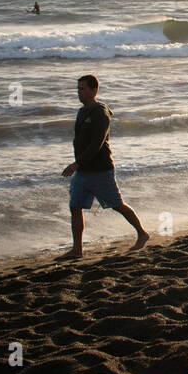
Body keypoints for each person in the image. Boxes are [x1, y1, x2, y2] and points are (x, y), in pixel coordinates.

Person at [56, 74, 149, 259]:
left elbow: (97, 143)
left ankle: (142, 233)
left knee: (117, 205)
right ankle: (77, 249)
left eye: (83, 89)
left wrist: (77, 163)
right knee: (75, 207)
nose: (79, 93)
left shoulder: (101, 113)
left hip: (101, 171)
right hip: (83, 172)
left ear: (94, 90)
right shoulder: (82, 112)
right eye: (78, 89)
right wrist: (79, 163)